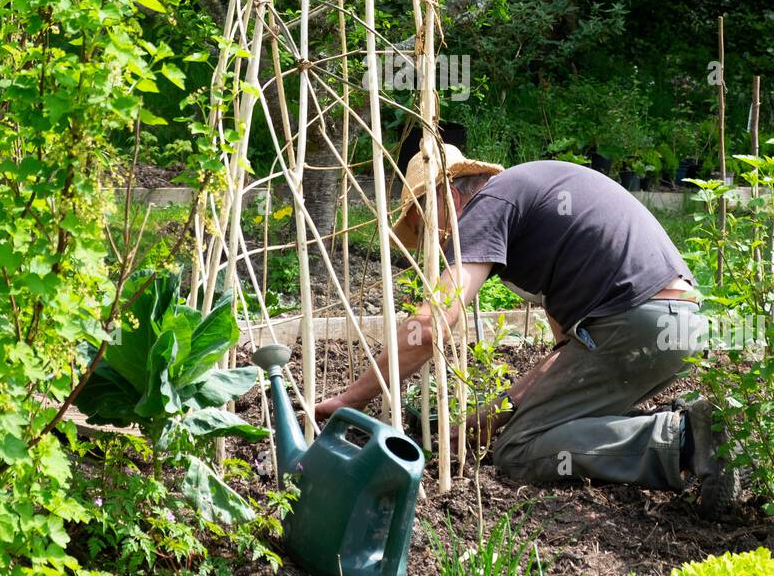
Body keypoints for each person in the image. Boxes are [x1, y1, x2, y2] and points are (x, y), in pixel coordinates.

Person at [314, 145, 741, 517]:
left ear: (445, 195)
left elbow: (428, 328)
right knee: (555, 423)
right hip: (676, 325)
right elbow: (566, 354)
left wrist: (349, 400)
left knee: (518, 451)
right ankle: (692, 430)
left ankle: (683, 439)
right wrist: (490, 416)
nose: (438, 237)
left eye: (427, 221)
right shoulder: (534, 209)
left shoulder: (487, 205)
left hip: (636, 324)